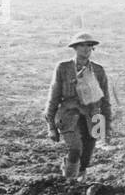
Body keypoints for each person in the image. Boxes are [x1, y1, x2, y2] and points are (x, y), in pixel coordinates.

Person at [45, 33, 112, 180]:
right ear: (75, 48)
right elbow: (54, 96)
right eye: (82, 45)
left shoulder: (98, 70)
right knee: (75, 149)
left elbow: (105, 100)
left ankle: (79, 184)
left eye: (89, 46)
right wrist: (51, 126)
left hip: (93, 117)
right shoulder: (63, 68)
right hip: (69, 115)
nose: (86, 49)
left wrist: (106, 127)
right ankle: (69, 182)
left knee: (86, 158)